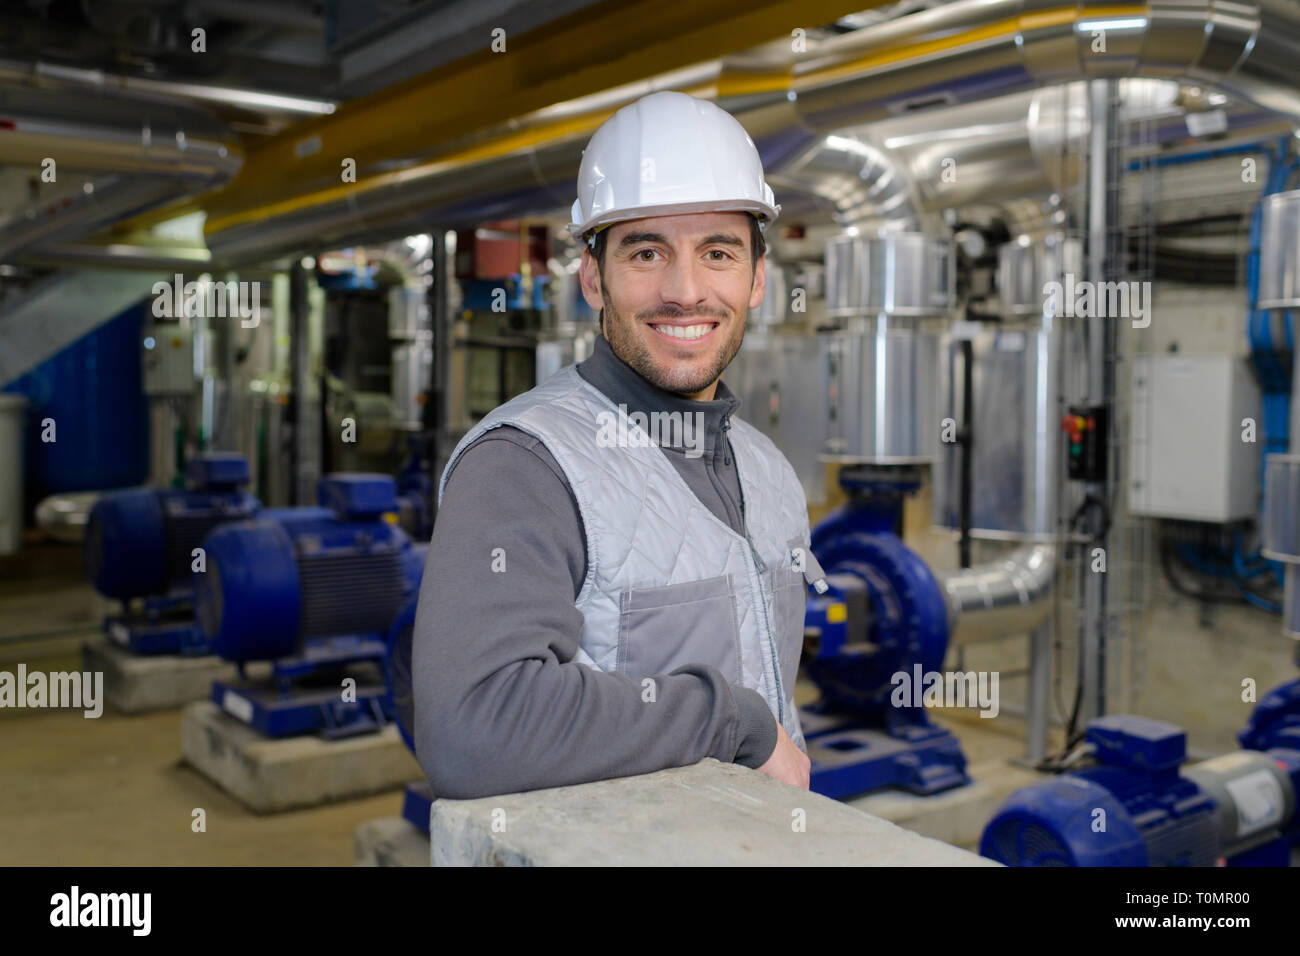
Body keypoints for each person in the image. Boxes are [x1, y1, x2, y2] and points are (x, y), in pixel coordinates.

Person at [411, 90, 825, 799]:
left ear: (757, 278)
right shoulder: (526, 465)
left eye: (718, 252)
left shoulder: (770, 471)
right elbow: (470, 727)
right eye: (646, 252)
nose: (685, 290)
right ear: (593, 278)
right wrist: (733, 721)